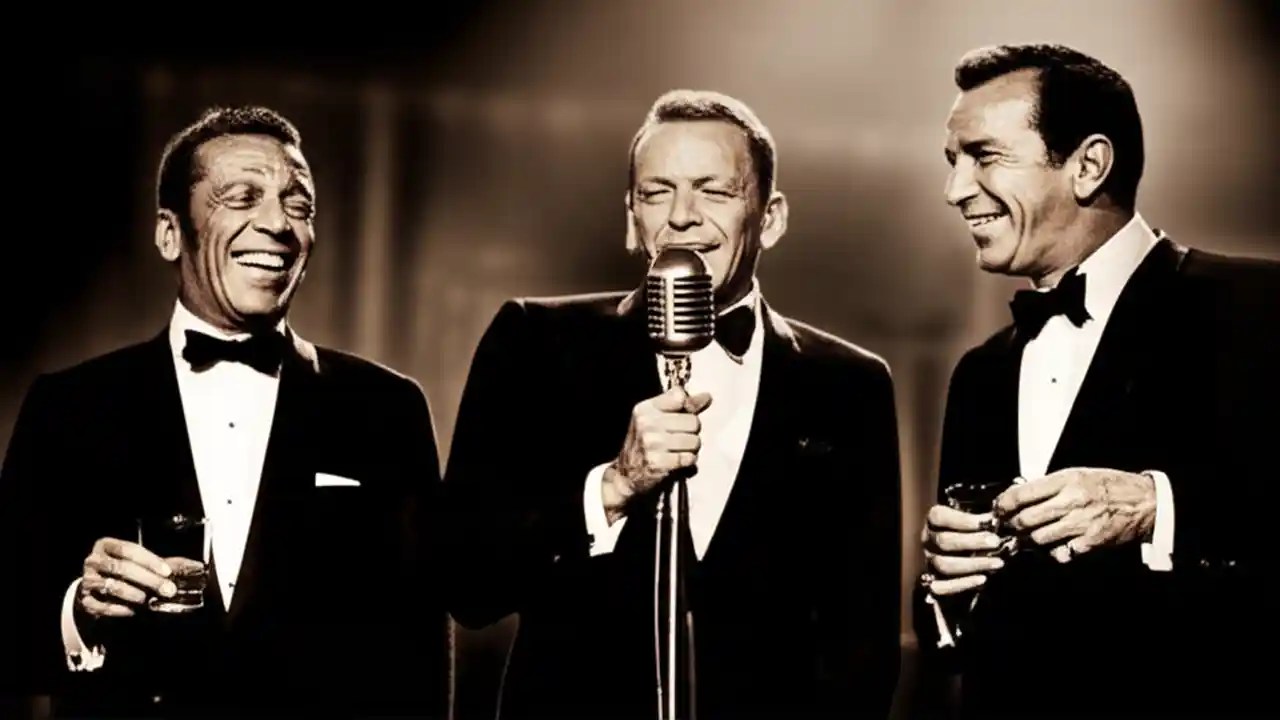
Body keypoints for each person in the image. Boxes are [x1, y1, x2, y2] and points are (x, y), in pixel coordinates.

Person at [443, 89, 903, 719]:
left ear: (770, 217)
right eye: (658, 193)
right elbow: (469, 580)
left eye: (713, 191)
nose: (681, 216)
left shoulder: (850, 385)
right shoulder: (536, 342)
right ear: (632, 217)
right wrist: (612, 486)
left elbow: (863, 644)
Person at [0, 106, 452, 718]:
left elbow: (420, 658)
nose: (278, 223)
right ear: (169, 232)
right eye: (242, 197)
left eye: (299, 205)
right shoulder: (69, 408)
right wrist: (80, 609)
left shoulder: (387, 408)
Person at [914, 43, 1279, 719]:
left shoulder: (1259, 309)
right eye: (952, 162)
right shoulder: (981, 374)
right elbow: (957, 637)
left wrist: (1155, 507)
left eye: (983, 155)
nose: (955, 189)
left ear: (1088, 165)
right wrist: (945, 584)